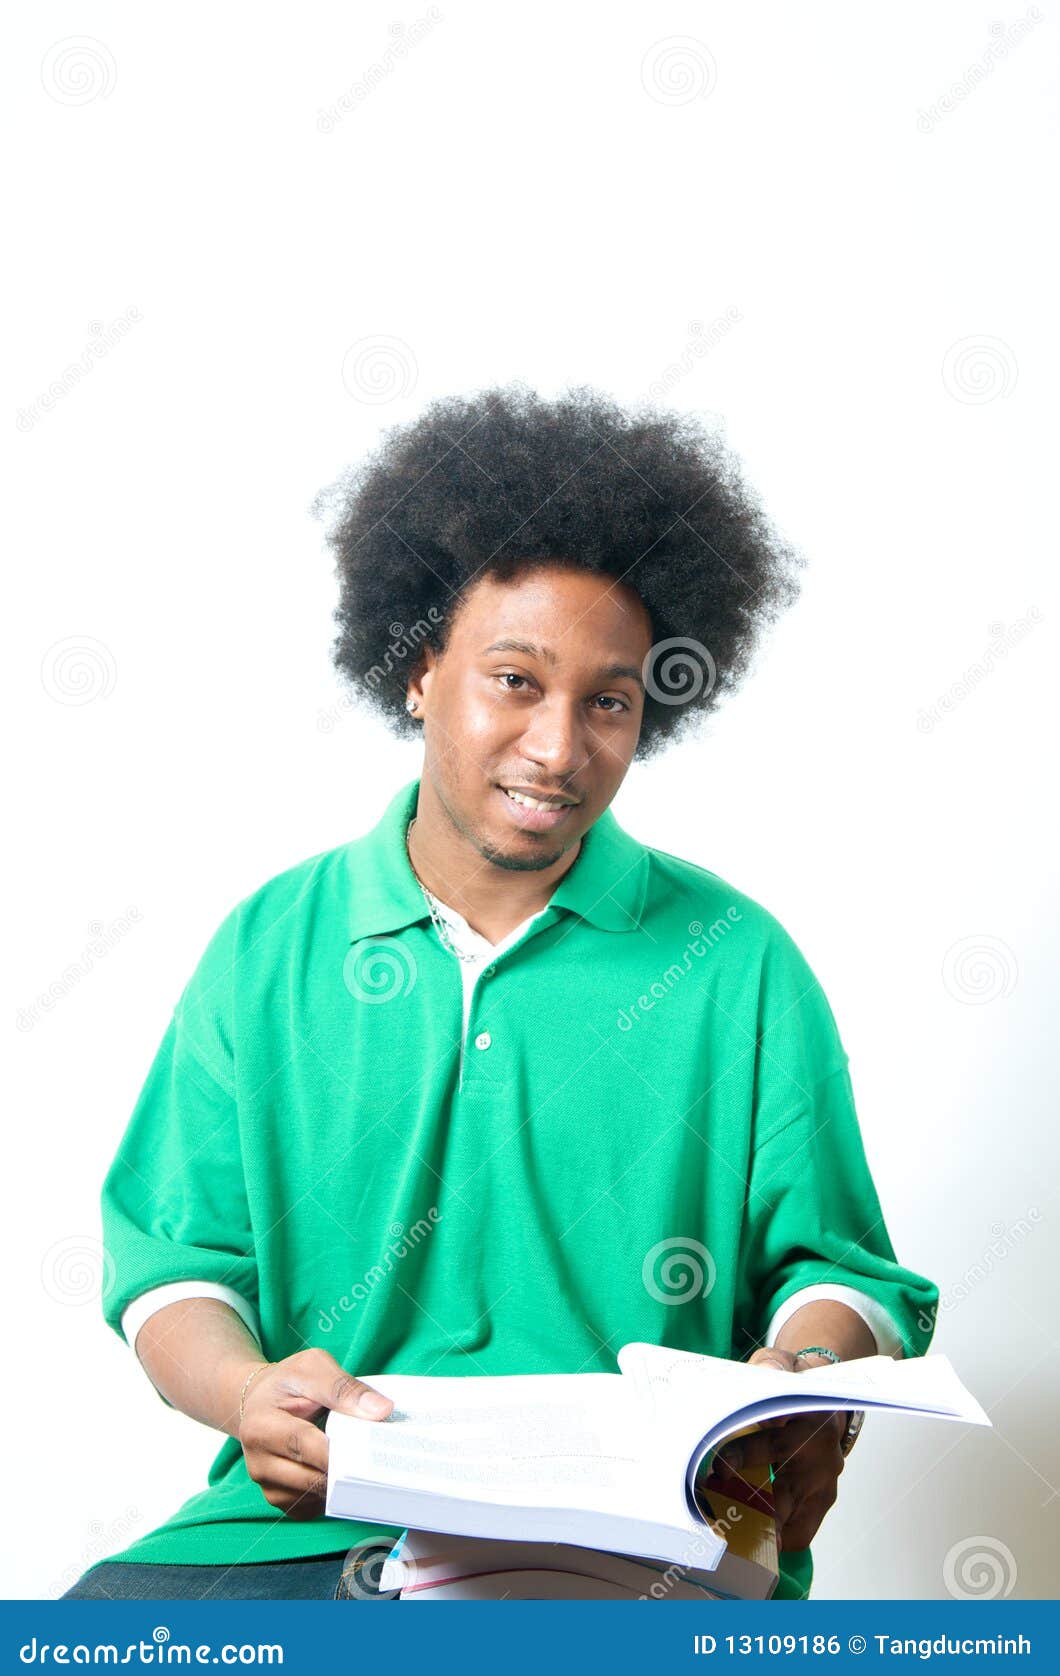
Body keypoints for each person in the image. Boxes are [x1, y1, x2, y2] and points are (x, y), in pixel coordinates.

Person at [62, 385, 938, 1601]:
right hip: (304, 1534)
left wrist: (800, 1378)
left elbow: (838, 1271)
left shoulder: (735, 961)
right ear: (419, 671)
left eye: (609, 701)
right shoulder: (268, 949)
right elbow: (177, 1269)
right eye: (515, 681)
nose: (558, 747)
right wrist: (244, 1393)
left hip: (648, 1545)